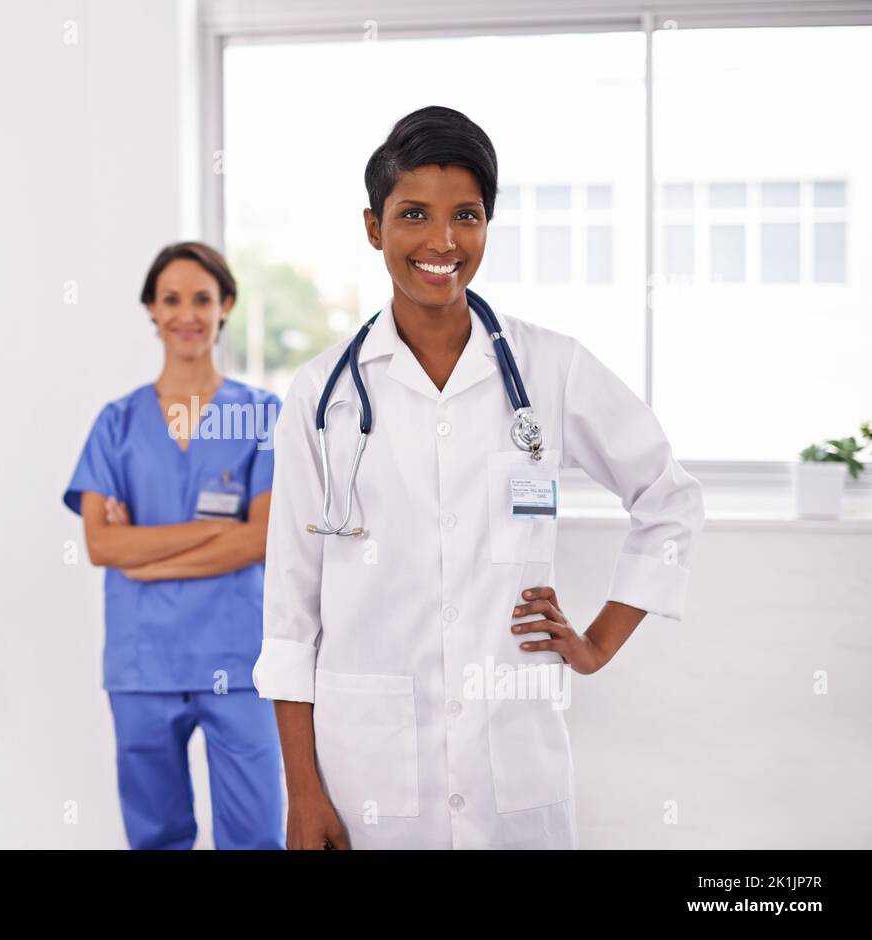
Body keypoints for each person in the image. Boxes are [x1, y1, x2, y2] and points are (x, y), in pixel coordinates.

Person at [253, 106, 706, 850]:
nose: (442, 241)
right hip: (366, 777)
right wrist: (302, 793)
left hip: (513, 766)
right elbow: (290, 613)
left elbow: (669, 497)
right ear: (374, 228)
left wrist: (597, 642)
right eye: (414, 215)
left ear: (489, 224)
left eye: (466, 214)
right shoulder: (319, 395)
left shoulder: (550, 368)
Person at [63, 241, 285, 850]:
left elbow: (263, 539)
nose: (186, 314)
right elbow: (102, 546)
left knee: (257, 835)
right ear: (152, 312)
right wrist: (216, 529)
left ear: (226, 307)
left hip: (238, 661)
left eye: (202, 299)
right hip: (143, 665)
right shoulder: (116, 423)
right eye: (171, 300)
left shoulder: (265, 416)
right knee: (156, 837)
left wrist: (147, 554)